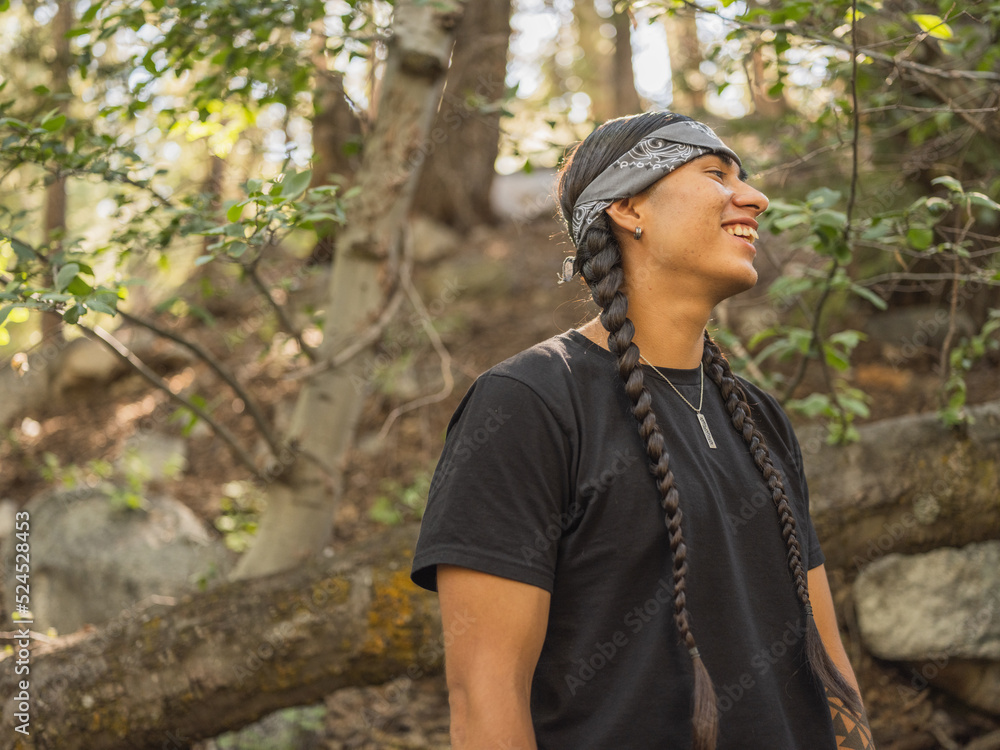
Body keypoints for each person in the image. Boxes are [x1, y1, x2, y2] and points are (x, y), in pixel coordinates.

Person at [410, 111, 873, 750]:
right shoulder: (529, 404)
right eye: (716, 174)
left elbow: (828, 663)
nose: (756, 198)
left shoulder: (760, 417)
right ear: (630, 207)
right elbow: (486, 694)